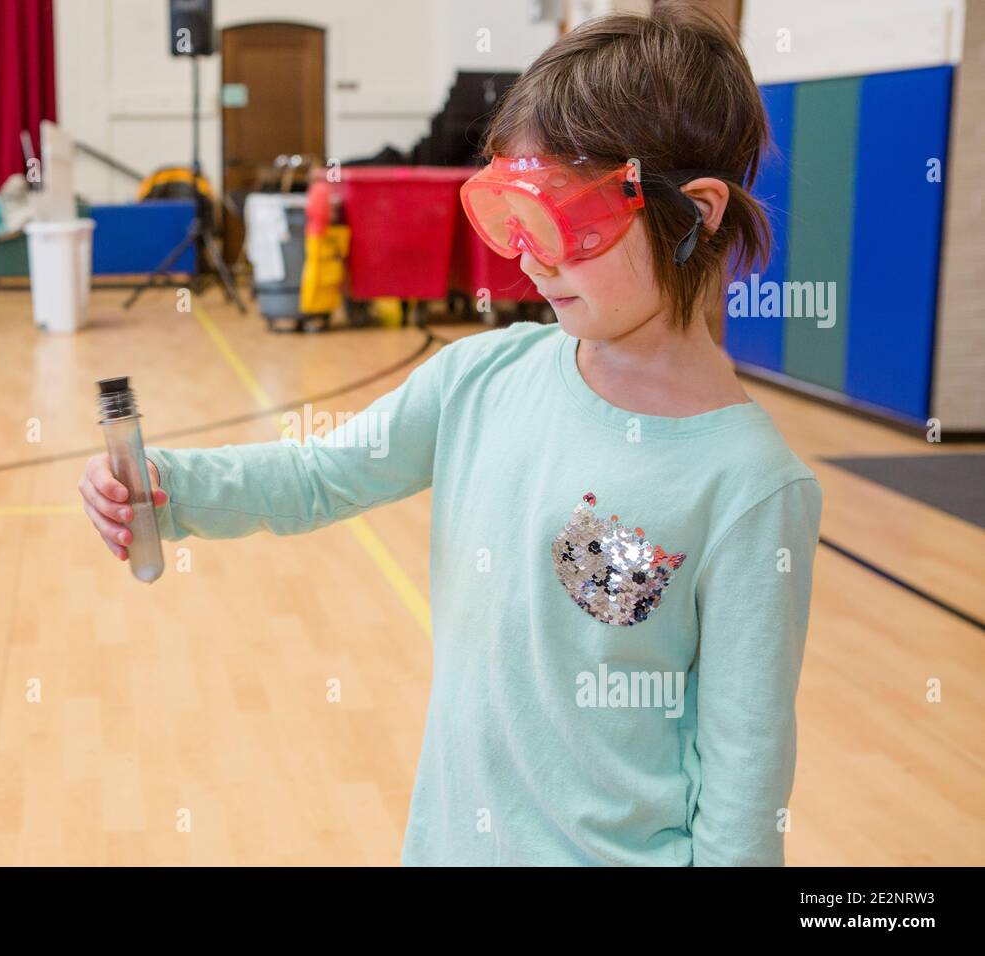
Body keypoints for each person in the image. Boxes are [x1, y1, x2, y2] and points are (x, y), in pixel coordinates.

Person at [78, 5, 823, 866]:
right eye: (517, 217)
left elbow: (744, 779)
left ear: (692, 212)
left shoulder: (751, 486)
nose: (532, 259)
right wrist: (165, 486)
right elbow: (319, 475)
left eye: (569, 223)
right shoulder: (481, 381)